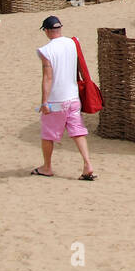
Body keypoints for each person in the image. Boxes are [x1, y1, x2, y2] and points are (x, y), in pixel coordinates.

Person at [32, 16, 96, 180]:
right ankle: (87, 163)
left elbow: (48, 77)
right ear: (60, 29)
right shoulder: (73, 43)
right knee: (78, 132)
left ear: (46, 31)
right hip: (73, 97)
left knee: (48, 134)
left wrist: (44, 102)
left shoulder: (46, 50)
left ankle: (47, 167)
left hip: (57, 100)